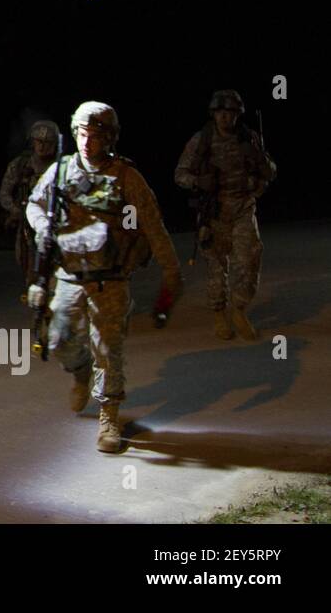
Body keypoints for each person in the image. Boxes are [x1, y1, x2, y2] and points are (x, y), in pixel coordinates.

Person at [27, 102, 183, 453]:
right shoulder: (61, 171)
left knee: (108, 350)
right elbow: (34, 205)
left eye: (95, 137)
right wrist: (43, 231)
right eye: (82, 134)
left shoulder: (126, 177)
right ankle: (80, 372)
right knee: (57, 341)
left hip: (110, 279)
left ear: (109, 139)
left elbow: (154, 228)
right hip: (69, 275)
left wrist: (171, 273)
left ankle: (109, 416)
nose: (87, 143)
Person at [174, 90, 276, 341]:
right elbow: (180, 175)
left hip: (243, 207)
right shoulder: (202, 141)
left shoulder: (249, 138)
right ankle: (220, 315)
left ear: (237, 115)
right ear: (213, 114)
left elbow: (270, 172)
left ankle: (239, 309)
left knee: (250, 258)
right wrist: (199, 181)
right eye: (221, 113)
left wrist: (262, 162)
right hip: (214, 213)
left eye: (230, 113)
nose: (225, 118)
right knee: (218, 268)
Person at [0, 120, 60, 282]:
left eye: (47, 142)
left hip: (56, 222)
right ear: (32, 142)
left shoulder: (63, 167)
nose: (42, 146)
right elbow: (4, 193)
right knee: (27, 260)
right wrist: (15, 210)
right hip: (26, 223)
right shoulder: (20, 165)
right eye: (39, 141)